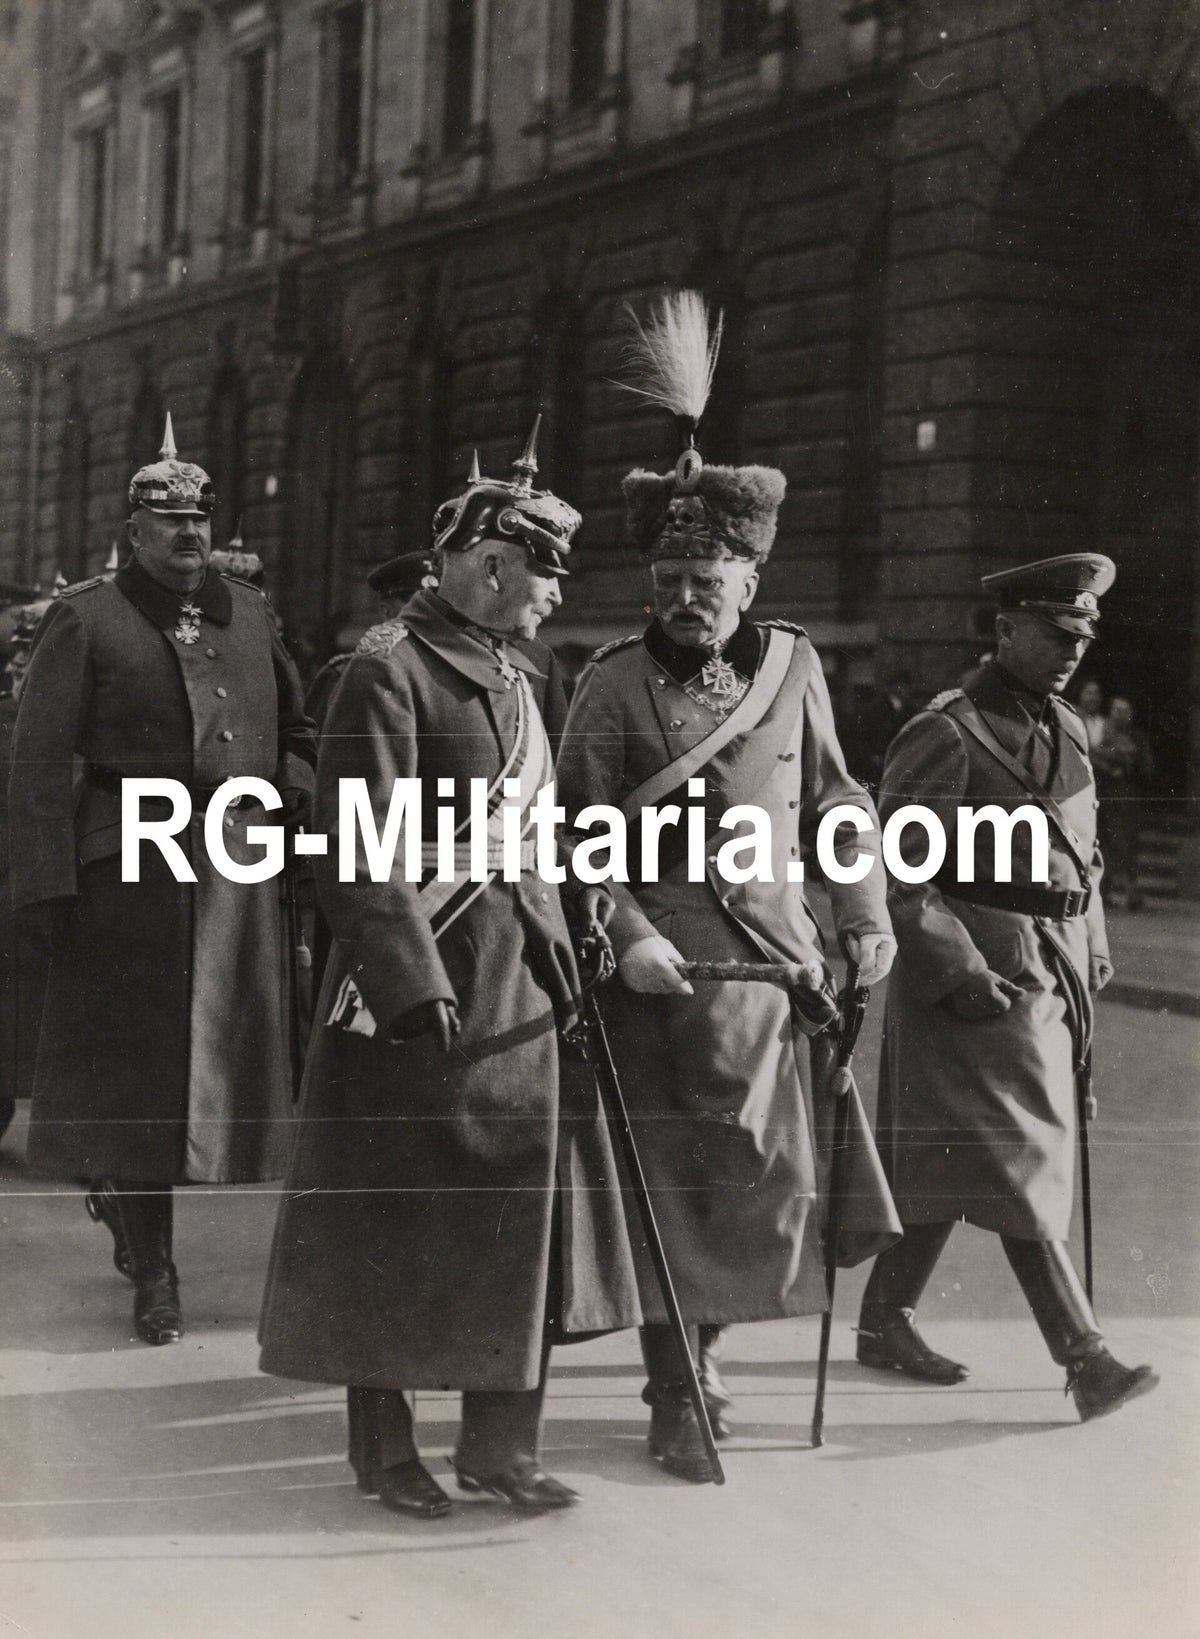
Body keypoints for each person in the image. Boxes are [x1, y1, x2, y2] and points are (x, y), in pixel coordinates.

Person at [257, 424, 639, 1521]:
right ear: (486, 564)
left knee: (518, 1222)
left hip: (519, 989)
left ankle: (500, 1449)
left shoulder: (519, 677)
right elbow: (358, 848)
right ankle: (385, 1451)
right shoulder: (387, 669)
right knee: (392, 1224)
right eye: (544, 575)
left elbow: (545, 839)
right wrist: (413, 986)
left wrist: (579, 941)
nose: (554, 597)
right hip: (412, 996)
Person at [556, 291, 901, 1484]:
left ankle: (705, 1359)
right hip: (662, 981)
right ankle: (675, 1388)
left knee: (758, 1183)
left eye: (709, 576)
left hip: (770, 974)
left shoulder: (796, 670)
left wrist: (864, 914)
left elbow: (839, 805)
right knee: (672, 1187)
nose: (686, 595)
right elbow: (576, 842)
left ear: (751, 581)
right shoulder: (604, 688)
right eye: (669, 576)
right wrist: (629, 932)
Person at [8, 417, 316, 1344]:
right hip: (127, 871)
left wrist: (292, 797)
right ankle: (158, 1268)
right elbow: (37, 763)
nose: (189, 535)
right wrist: (48, 888)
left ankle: (136, 1217)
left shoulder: (253, 613)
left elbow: (298, 733)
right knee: (143, 1073)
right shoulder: (88, 616)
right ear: (133, 530)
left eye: (200, 520)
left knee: (217, 1069)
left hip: (234, 870)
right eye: (169, 521)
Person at [855, 553, 1157, 1422]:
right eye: (1056, 634)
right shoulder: (944, 731)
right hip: (980, 974)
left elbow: (1084, 857)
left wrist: (1092, 940)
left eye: (1081, 637)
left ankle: (883, 1320)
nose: (1071, 652)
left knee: (968, 1154)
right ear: (1005, 628)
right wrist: (959, 968)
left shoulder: (1066, 723)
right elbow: (901, 874)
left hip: (1052, 964)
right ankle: (1085, 1356)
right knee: (1019, 1156)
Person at [1094, 696, 1154, 911]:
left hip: (1126, 795)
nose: (1119, 715)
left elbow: (1145, 766)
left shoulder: (1137, 738)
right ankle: (1105, 891)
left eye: (1124, 710)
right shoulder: (1103, 733)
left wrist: (1126, 763)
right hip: (1104, 795)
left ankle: (1131, 892)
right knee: (1106, 842)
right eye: (1115, 710)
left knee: (1126, 843)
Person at [1076, 678, 1108, 755]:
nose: (1093, 698)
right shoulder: (1074, 717)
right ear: (1080, 695)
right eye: (1089, 693)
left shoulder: (1107, 723)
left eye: (1096, 693)